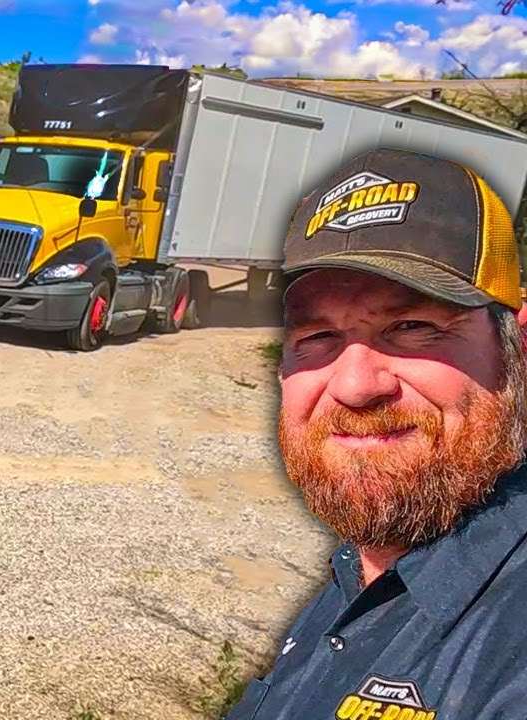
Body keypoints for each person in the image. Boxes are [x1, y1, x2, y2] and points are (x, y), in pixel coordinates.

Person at [225, 148, 527, 720]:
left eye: (413, 326)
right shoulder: (368, 571)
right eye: (316, 337)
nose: (356, 385)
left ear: (518, 351)